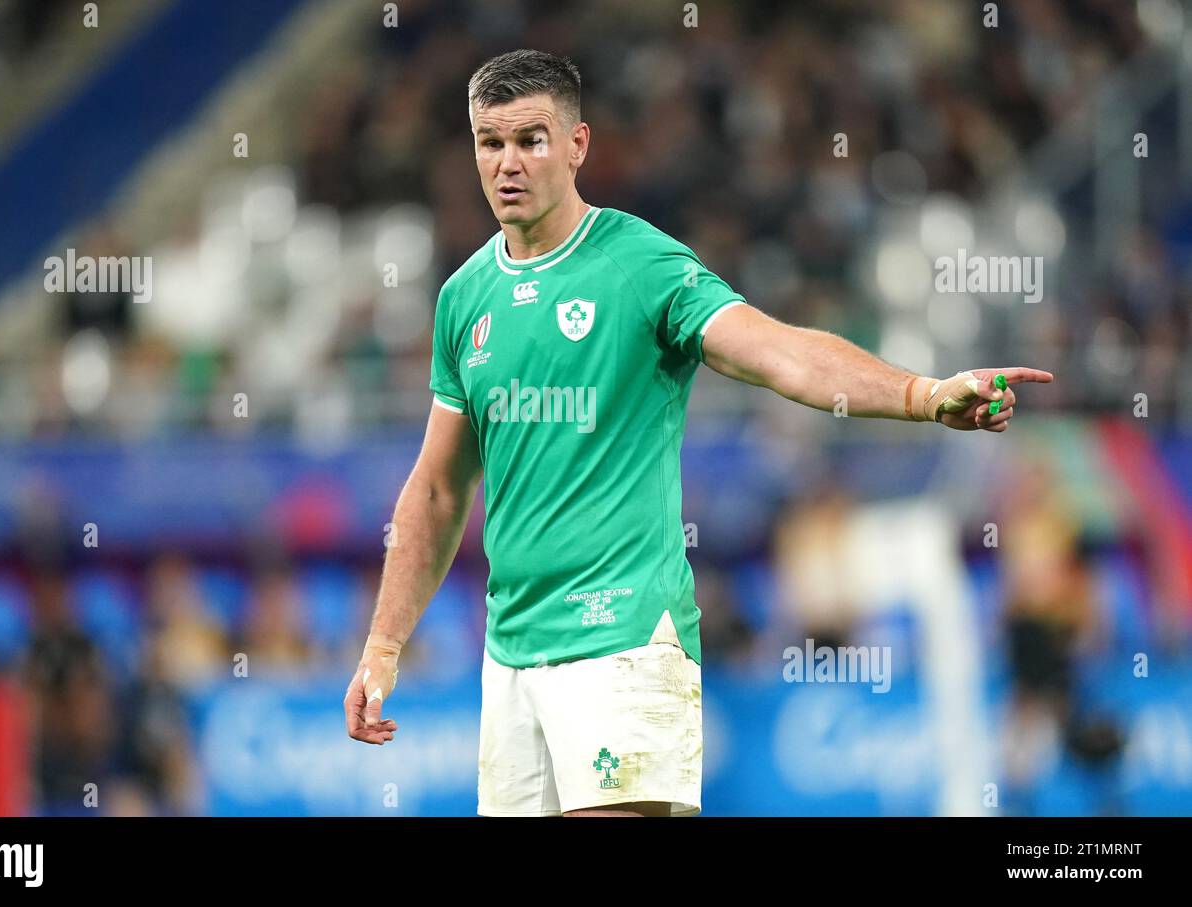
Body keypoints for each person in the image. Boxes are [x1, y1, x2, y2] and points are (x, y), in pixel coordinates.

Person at [343, 48, 1054, 817]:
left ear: (577, 146)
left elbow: (779, 351)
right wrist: (383, 646)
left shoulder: (641, 266)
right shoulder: (464, 299)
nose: (508, 163)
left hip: (623, 639)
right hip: (510, 655)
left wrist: (921, 393)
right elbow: (441, 485)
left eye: (531, 139)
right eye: (490, 142)